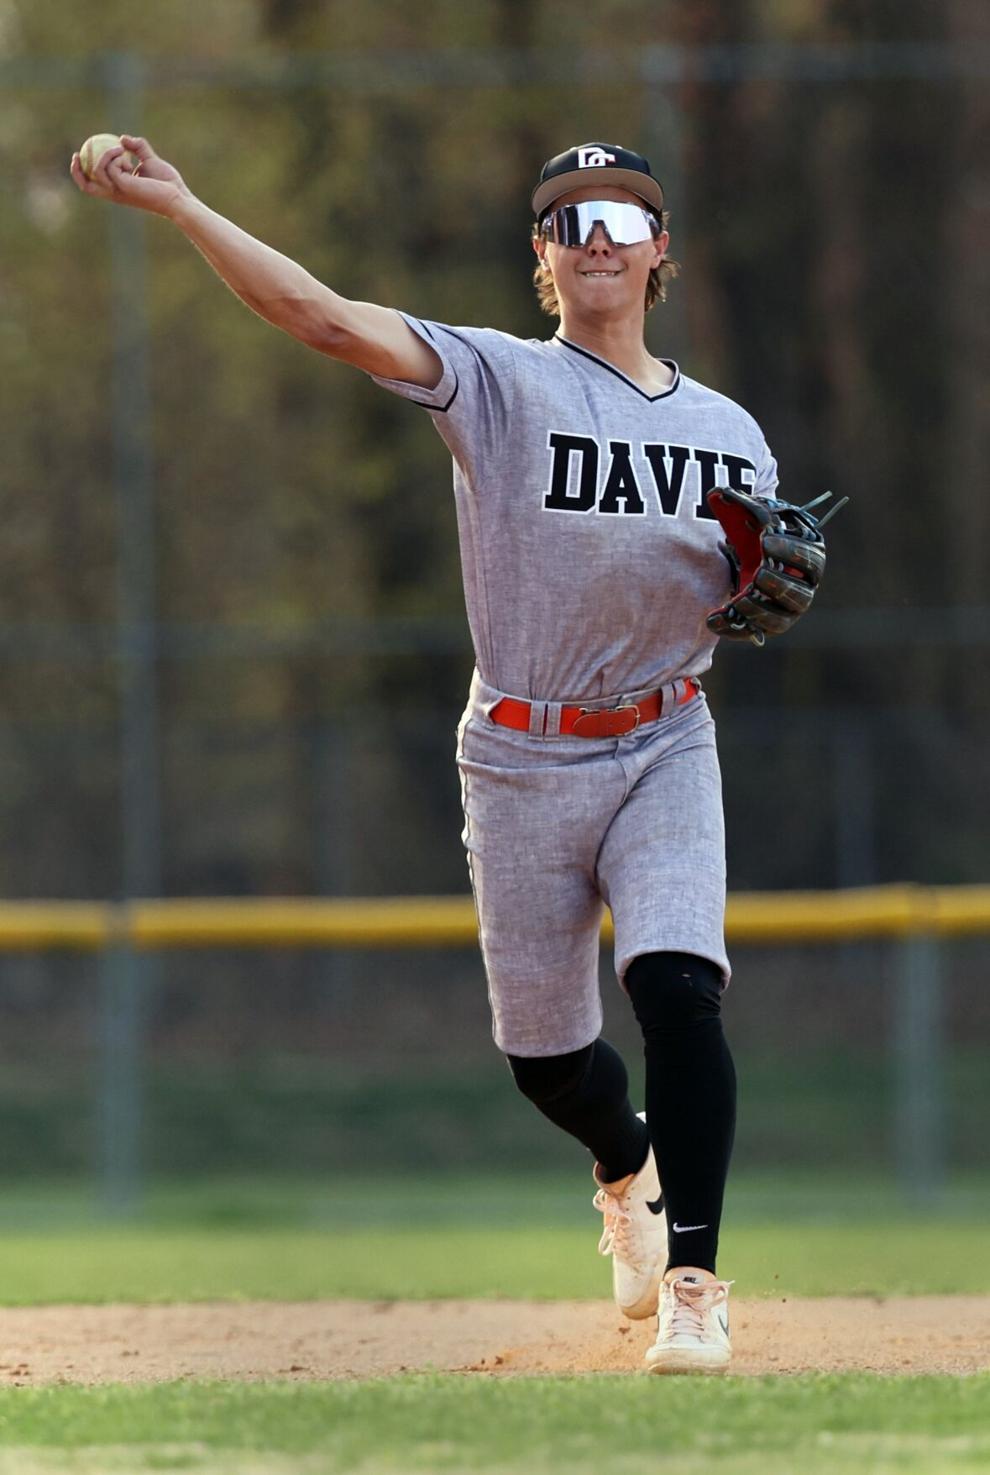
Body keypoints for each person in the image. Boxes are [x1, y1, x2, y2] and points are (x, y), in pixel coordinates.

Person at [72, 135, 782, 1374]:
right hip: (520, 755)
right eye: (570, 219)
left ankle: (696, 1285)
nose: (597, 236)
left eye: (622, 214)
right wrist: (185, 202)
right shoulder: (498, 379)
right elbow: (323, 316)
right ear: (543, 258)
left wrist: (764, 585)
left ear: (661, 247)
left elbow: (756, 581)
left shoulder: (734, 433)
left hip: (670, 733)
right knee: (547, 1061)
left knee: (678, 988)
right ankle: (626, 1165)